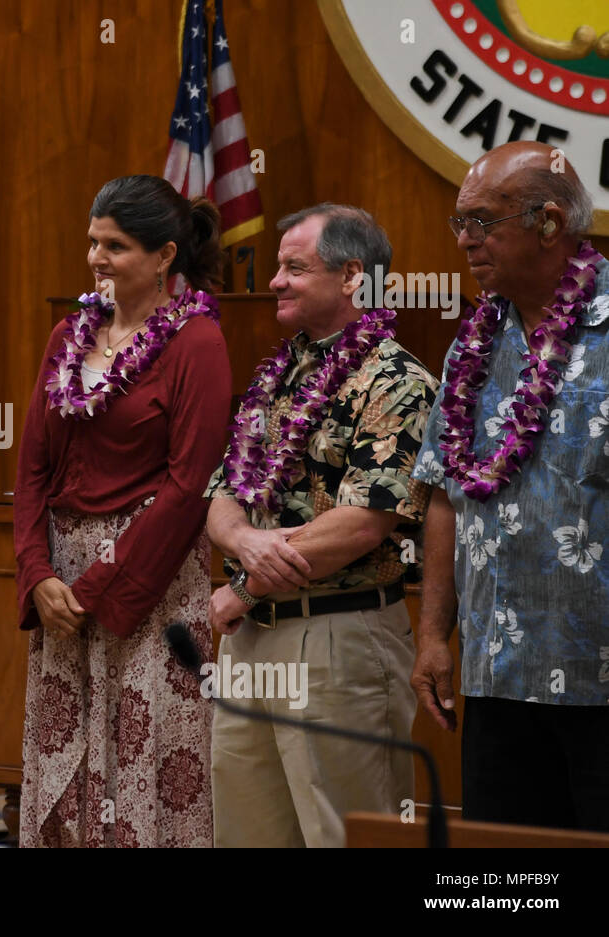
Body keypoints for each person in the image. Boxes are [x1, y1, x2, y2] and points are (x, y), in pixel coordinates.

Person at [203, 204, 439, 848]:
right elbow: (222, 495)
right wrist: (245, 540)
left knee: (344, 835)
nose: (274, 280)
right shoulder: (279, 375)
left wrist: (246, 583)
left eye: (294, 267)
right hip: (250, 639)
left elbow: (363, 523)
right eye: (278, 267)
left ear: (353, 276)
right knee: (247, 835)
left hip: (339, 636)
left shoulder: (400, 381)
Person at [14, 174, 231, 847]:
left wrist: (97, 589)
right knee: (65, 773)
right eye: (92, 242)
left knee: (145, 770)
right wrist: (36, 572)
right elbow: (31, 468)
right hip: (61, 592)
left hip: (150, 590)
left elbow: (189, 484)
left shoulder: (197, 343)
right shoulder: (67, 335)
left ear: (165, 256)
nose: (96, 258)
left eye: (116, 246)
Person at [410, 142, 609, 832]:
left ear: (550, 222)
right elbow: (442, 492)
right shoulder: (474, 344)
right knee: (509, 882)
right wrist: (434, 635)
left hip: (599, 680)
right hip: (497, 676)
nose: (465, 241)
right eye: (458, 223)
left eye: (481, 222)